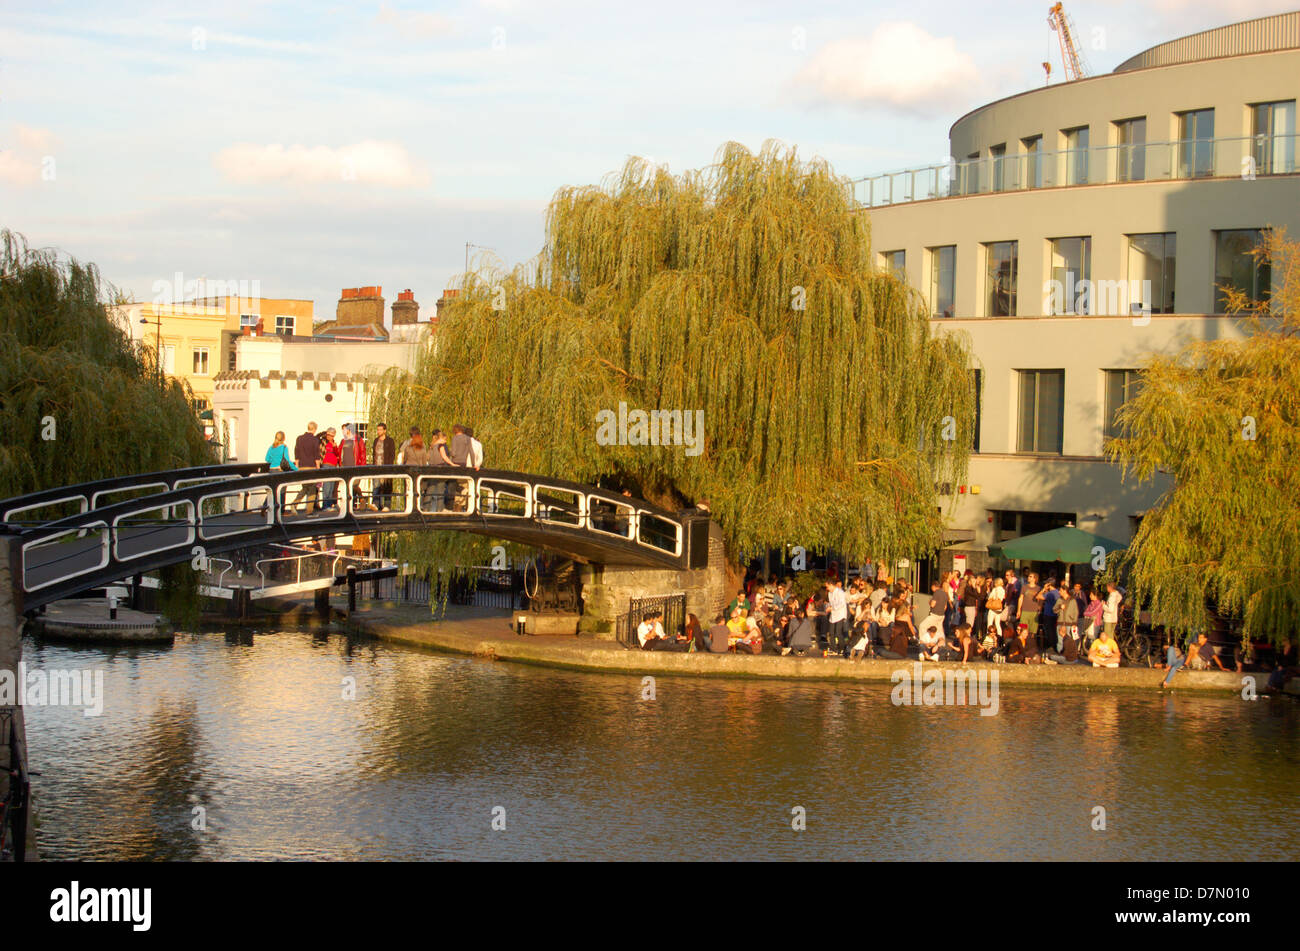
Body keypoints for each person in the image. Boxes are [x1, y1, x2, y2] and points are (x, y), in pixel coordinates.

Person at [290, 422, 321, 513]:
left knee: (305, 488)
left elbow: (297, 453)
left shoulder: (299, 439)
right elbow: (316, 455)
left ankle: (294, 504)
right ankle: (309, 510)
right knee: (312, 489)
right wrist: (318, 468)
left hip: (302, 466)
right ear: (314, 429)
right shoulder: (315, 440)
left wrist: (297, 466)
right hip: (311, 466)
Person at [370, 422, 396, 511]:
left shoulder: (390, 441)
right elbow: (374, 454)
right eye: (377, 429)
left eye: (380, 429)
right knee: (376, 486)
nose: (378, 431)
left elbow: (392, 455)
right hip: (376, 467)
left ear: (384, 430)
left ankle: (387, 505)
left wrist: (389, 466)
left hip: (386, 467)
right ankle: (376, 504)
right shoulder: (375, 440)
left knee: (387, 486)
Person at [320, 427, 342, 509]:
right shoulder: (323, 441)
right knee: (327, 485)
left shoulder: (333, 443)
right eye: (329, 435)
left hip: (333, 465)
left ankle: (329, 504)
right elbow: (321, 452)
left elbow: (337, 454)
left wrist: (335, 447)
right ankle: (325, 505)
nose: (331, 437)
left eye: (333, 436)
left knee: (332, 486)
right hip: (326, 464)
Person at [827, 578, 849, 656]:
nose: (827, 588)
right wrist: (829, 607)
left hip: (840, 614)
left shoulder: (840, 592)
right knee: (831, 632)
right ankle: (834, 649)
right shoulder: (829, 593)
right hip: (833, 615)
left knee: (838, 632)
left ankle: (842, 648)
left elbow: (841, 604)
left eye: (828, 586)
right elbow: (830, 603)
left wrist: (832, 608)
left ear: (831, 585)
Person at [1018, 572, 1041, 646]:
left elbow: (1041, 600)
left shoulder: (1038, 588)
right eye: (1028, 576)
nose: (1028, 578)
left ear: (1035, 578)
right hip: (1025, 610)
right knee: (1022, 628)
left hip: (1034, 611)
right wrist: (1019, 609)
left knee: (1032, 631)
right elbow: (1021, 598)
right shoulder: (1024, 587)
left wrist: (1040, 607)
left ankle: (1031, 645)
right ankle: (1022, 644)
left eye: (1030, 576)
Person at [986, 575, 1007, 645]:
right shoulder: (1003, 590)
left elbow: (989, 597)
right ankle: (1000, 637)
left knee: (990, 623)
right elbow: (1001, 599)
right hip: (998, 608)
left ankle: (988, 638)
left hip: (992, 608)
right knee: (998, 624)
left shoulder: (994, 589)